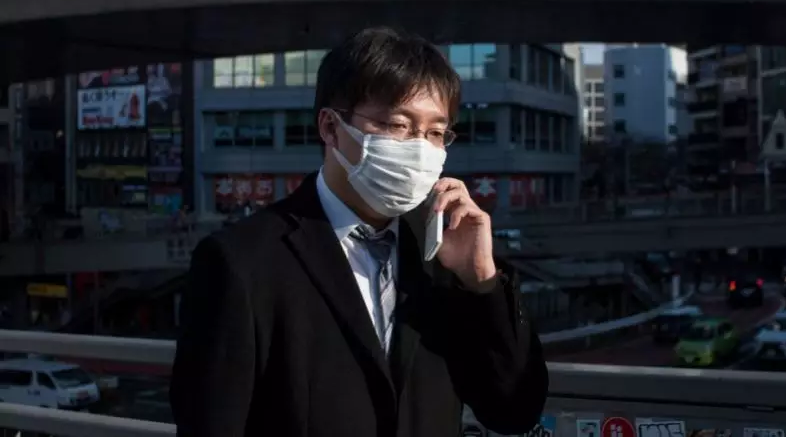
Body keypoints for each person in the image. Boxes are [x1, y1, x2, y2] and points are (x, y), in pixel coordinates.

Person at [170, 27, 548, 437]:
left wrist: (482, 283)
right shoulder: (241, 262)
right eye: (397, 125)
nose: (421, 148)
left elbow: (513, 411)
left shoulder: (443, 256)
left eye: (437, 132)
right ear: (331, 129)